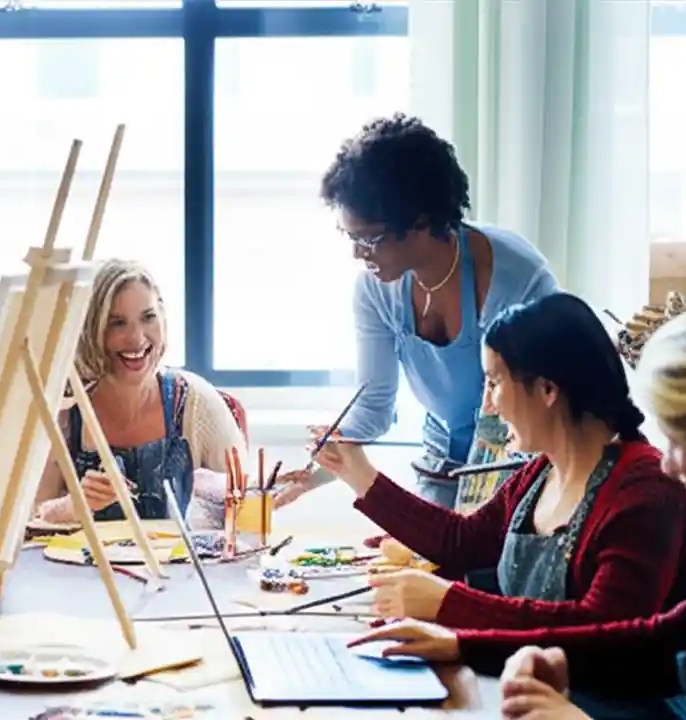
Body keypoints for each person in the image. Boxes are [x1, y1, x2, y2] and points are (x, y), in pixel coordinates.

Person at [349, 298, 686, 719]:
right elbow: (661, 636)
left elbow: (629, 628)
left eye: (680, 439)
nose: (670, 465)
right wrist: (462, 644)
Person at [316, 292, 686, 717]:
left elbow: (603, 629)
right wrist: (357, 472)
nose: (486, 403)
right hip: (545, 691)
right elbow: (461, 541)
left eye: (495, 382)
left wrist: (452, 610)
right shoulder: (540, 473)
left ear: (547, 389)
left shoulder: (646, 492)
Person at [275, 113, 558, 509]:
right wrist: (319, 462)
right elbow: (373, 406)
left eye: (369, 239)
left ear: (421, 222)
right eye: (350, 237)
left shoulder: (516, 279)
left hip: (520, 465)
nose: (358, 253)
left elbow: (546, 408)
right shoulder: (375, 290)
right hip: (442, 464)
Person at [33, 259, 247, 527]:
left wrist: (219, 495)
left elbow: (247, 509)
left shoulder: (195, 401)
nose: (136, 338)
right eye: (117, 323)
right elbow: (27, 520)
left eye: (148, 318)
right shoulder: (63, 410)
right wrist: (71, 506)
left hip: (182, 569)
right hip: (87, 569)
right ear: (90, 331)